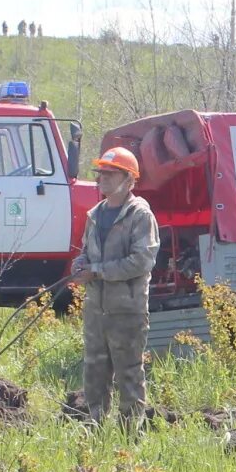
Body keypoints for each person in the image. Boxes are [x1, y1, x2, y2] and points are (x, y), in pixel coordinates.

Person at [74, 146, 158, 427]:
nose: (102, 179)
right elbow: (87, 251)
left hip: (127, 309)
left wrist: (96, 272)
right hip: (96, 309)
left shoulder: (140, 215)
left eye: (110, 174)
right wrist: (81, 263)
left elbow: (142, 261)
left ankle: (130, 435)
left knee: (129, 373)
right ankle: (95, 429)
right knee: (94, 370)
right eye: (100, 174)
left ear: (129, 179)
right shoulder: (95, 214)